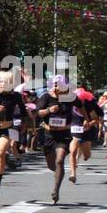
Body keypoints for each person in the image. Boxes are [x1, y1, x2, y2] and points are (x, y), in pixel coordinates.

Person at [35, 74, 80, 204]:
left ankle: (56, 190)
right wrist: (49, 110)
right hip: (48, 135)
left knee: (59, 160)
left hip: (64, 134)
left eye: (58, 85)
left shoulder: (70, 97)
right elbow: (37, 113)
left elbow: (82, 105)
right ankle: (59, 173)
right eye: (54, 84)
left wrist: (86, 119)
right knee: (52, 165)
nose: (56, 87)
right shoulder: (46, 96)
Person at [67, 89, 102, 185]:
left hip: (86, 133)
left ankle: (82, 151)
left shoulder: (89, 107)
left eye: (81, 99)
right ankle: (73, 174)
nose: (79, 101)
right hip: (74, 132)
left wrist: (89, 124)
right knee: (72, 151)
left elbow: (96, 120)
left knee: (87, 156)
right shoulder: (70, 107)